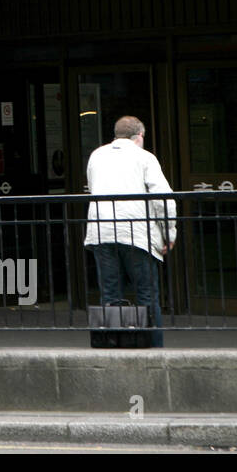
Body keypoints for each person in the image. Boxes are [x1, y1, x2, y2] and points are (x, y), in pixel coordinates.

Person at [85, 116, 177, 347]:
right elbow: (163, 199)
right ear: (140, 136)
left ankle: (112, 346)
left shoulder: (96, 155)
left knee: (110, 295)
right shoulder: (145, 157)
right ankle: (153, 347)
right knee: (147, 294)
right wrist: (169, 233)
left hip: (101, 231)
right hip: (137, 233)